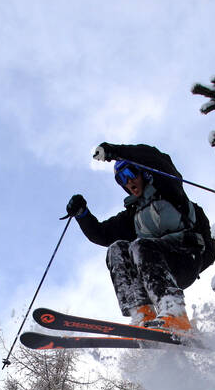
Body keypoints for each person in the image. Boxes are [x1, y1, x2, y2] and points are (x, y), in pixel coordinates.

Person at [66, 142, 206, 334]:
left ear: (144, 172)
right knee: (117, 249)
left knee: (141, 246)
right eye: (121, 179)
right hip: (155, 270)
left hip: (184, 259)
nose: (128, 181)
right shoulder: (134, 215)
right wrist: (82, 214)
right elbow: (101, 234)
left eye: (130, 174)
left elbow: (155, 157)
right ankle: (143, 313)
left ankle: (175, 313)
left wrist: (114, 152)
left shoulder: (170, 190)